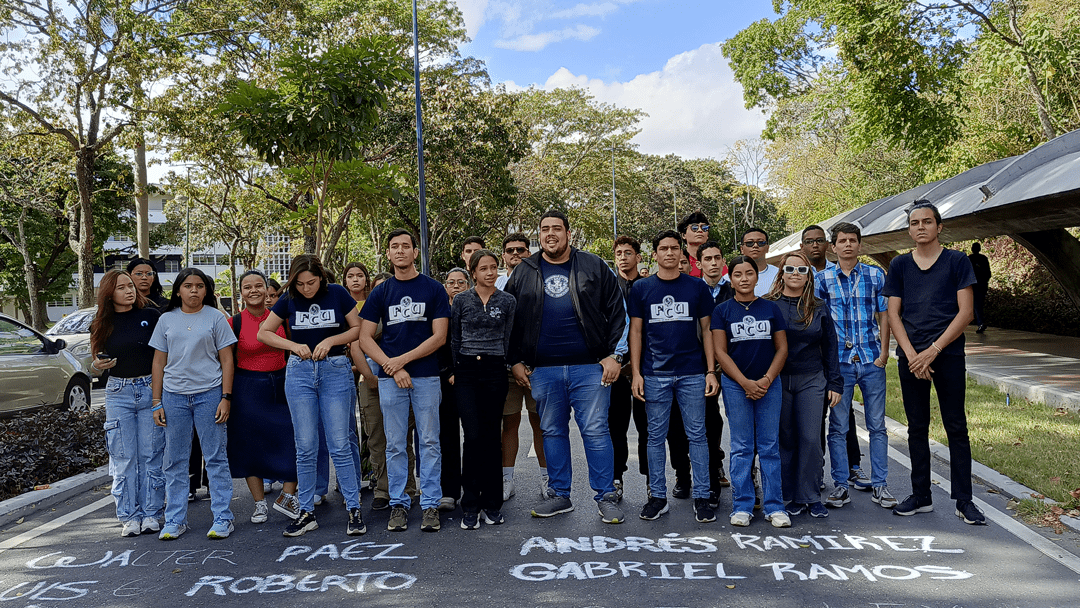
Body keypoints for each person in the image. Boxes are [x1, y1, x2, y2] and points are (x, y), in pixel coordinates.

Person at [505, 210, 627, 524]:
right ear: (539, 235)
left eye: (556, 229)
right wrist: (515, 361)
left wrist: (616, 356)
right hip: (543, 370)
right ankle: (560, 495)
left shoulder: (593, 265)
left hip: (589, 368)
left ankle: (606, 496)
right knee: (552, 432)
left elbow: (618, 313)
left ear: (568, 234)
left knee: (597, 433)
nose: (550, 234)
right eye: (544, 229)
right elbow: (510, 322)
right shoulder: (525, 270)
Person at [884, 200, 985, 525]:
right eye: (915, 223)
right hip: (911, 357)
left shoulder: (957, 261)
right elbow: (893, 314)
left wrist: (933, 351)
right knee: (917, 428)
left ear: (939, 227)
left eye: (927, 222)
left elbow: (966, 312)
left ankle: (964, 500)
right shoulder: (899, 265)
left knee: (956, 426)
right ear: (910, 229)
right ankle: (921, 495)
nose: (921, 227)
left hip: (948, 354)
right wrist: (913, 355)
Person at [257, 254, 366, 538]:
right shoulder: (289, 298)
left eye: (312, 282)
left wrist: (331, 340)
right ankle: (306, 513)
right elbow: (264, 333)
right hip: (300, 373)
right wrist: (293, 345)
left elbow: (357, 329)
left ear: (322, 277)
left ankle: (354, 509)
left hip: (335, 369)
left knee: (340, 443)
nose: (307, 289)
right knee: (305, 446)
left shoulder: (338, 293)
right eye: (301, 284)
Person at [358, 229, 451, 533]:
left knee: (429, 442)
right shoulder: (380, 293)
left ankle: (431, 504)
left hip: (425, 377)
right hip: (389, 379)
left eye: (405, 246)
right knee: (395, 444)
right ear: (388, 254)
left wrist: (402, 361)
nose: (400, 251)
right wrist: (391, 366)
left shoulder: (433, 289)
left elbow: (439, 337)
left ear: (415, 252)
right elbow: (364, 337)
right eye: (394, 247)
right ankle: (399, 503)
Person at [629, 231, 720, 523]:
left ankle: (703, 496)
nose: (669, 253)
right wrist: (636, 373)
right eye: (663, 248)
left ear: (682, 254)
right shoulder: (641, 288)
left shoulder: (697, 287)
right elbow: (636, 332)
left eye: (674, 248)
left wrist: (710, 370)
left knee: (698, 436)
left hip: (693, 372)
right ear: (654, 254)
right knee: (654, 438)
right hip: (655, 374)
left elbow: (707, 331)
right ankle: (657, 496)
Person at [150, 268, 238, 540]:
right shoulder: (166, 319)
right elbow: (158, 362)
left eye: (199, 286)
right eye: (188, 286)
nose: (194, 291)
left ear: (206, 291)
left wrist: (226, 397)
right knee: (174, 460)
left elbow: (227, 360)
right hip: (174, 396)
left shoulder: (216, 318)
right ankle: (175, 520)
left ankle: (223, 517)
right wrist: (156, 401)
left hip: (209, 394)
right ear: (178, 291)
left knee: (215, 457)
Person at [815, 222, 895, 510]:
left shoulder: (875, 275)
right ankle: (839, 485)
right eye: (841, 240)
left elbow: (884, 315)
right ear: (833, 246)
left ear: (860, 245)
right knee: (837, 427)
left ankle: (881, 485)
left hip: (871, 358)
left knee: (877, 426)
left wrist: (884, 353)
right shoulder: (822, 279)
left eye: (852, 240)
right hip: (839, 364)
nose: (847, 244)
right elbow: (820, 323)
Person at [712, 255, 789, 528]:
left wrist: (767, 379)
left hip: (770, 383)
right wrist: (744, 382)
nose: (744, 279)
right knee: (742, 447)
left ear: (757, 277)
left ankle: (774, 505)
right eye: (737, 274)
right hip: (736, 385)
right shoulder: (722, 311)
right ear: (730, 279)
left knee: (769, 447)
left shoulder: (771, 308)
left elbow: (782, 348)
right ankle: (742, 505)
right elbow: (720, 352)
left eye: (749, 273)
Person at [766, 252, 842, 519]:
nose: (795, 273)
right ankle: (788, 496)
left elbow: (830, 345)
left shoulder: (818, 306)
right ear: (781, 273)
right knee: (785, 439)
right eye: (790, 268)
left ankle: (809, 496)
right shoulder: (769, 305)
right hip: (778, 379)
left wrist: (835, 382)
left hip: (812, 378)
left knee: (810, 438)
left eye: (802, 269)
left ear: (809, 275)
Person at [91, 270, 164, 537]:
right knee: (124, 458)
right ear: (109, 293)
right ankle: (129, 516)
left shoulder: (152, 317)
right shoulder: (101, 323)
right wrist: (96, 365)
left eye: (130, 286)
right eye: (122, 287)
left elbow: (163, 355)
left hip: (149, 389)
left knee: (151, 455)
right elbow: (96, 363)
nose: (129, 291)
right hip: (118, 391)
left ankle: (152, 513)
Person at [226, 270, 300, 524]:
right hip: (247, 387)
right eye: (248, 287)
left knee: (294, 440)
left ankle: (288, 496)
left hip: (282, 383)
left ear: (268, 290)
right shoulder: (233, 323)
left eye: (259, 286)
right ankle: (259, 504)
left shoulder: (282, 319)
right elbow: (225, 361)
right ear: (241, 292)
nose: (254, 291)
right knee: (251, 448)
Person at [452, 249, 516, 529]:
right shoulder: (461, 300)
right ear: (473, 272)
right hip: (466, 371)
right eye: (483, 269)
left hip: (495, 371)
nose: (490, 273)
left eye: (493, 268)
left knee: (492, 438)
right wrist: (455, 370)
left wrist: (506, 364)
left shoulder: (508, 301)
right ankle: (470, 504)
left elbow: (510, 336)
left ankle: (492, 504)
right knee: (473, 436)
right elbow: (454, 337)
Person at [495, 233, 547, 499]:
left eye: (521, 249)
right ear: (503, 254)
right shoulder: (495, 283)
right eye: (510, 250)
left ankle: (547, 479)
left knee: (542, 425)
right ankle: (506, 479)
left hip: (538, 367)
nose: (515, 254)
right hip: (506, 367)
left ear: (529, 253)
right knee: (509, 424)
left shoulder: (541, 280)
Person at [610, 235, 650, 500]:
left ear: (638, 257)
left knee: (648, 427)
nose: (623, 257)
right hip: (615, 370)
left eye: (628, 252)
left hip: (646, 368)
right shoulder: (607, 287)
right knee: (615, 427)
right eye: (619, 253)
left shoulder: (650, 286)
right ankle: (615, 478)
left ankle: (651, 480)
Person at [696, 240, 732, 490]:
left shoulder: (735, 289)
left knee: (739, 420)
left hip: (734, 364)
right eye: (707, 259)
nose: (713, 263)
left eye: (717, 258)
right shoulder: (692, 290)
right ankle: (709, 467)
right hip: (699, 364)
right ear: (698, 264)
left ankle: (749, 477)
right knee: (707, 417)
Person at [437, 268, 470, 511]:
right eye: (451, 282)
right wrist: (448, 372)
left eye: (461, 282)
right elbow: (437, 347)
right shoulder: (440, 312)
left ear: (468, 285)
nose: (456, 286)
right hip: (444, 381)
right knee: (446, 437)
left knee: (473, 437)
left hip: (471, 380)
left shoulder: (474, 308)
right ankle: (449, 490)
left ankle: (472, 488)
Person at [738, 228, 779, 296]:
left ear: (767, 248)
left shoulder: (779, 275)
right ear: (742, 249)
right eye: (750, 243)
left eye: (761, 243)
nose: (755, 246)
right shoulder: (730, 277)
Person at [678, 211, 711, 278]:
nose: (700, 230)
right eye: (694, 228)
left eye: (704, 228)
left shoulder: (716, 259)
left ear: (707, 235)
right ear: (684, 235)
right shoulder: (678, 259)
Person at [969, 242, 991, 333]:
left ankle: (980, 322)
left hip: (972, 286)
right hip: (982, 285)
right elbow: (988, 273)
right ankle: (980, 322)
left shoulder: (969, 259)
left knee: (973, 305)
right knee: (979, 305)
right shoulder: (984, 259)